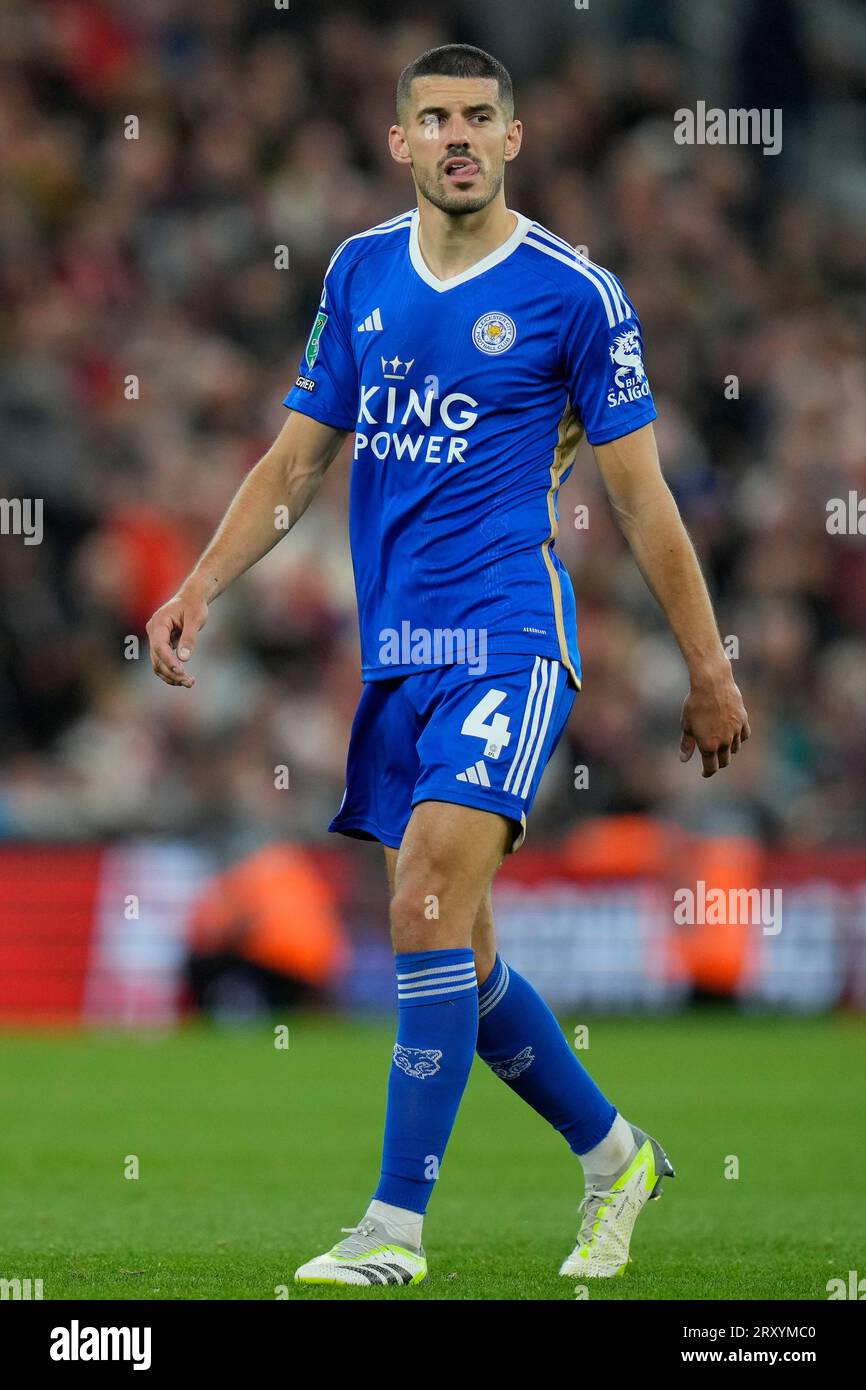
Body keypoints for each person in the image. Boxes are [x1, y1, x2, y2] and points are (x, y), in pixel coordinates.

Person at [146, 43, 750, 1289]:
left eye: (480, 115)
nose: (460, 135)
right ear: (400, 141)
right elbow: (298, 459)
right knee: (457, 956)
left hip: (507, 642)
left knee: (418, 898)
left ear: (514, 139)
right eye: (436, 117)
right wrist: (201, 582)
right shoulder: (360, 270)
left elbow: (641, 502)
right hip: (399, 659)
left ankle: (391, 1230)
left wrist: (707, 665)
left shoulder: (572, 293)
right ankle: (614, 1156)